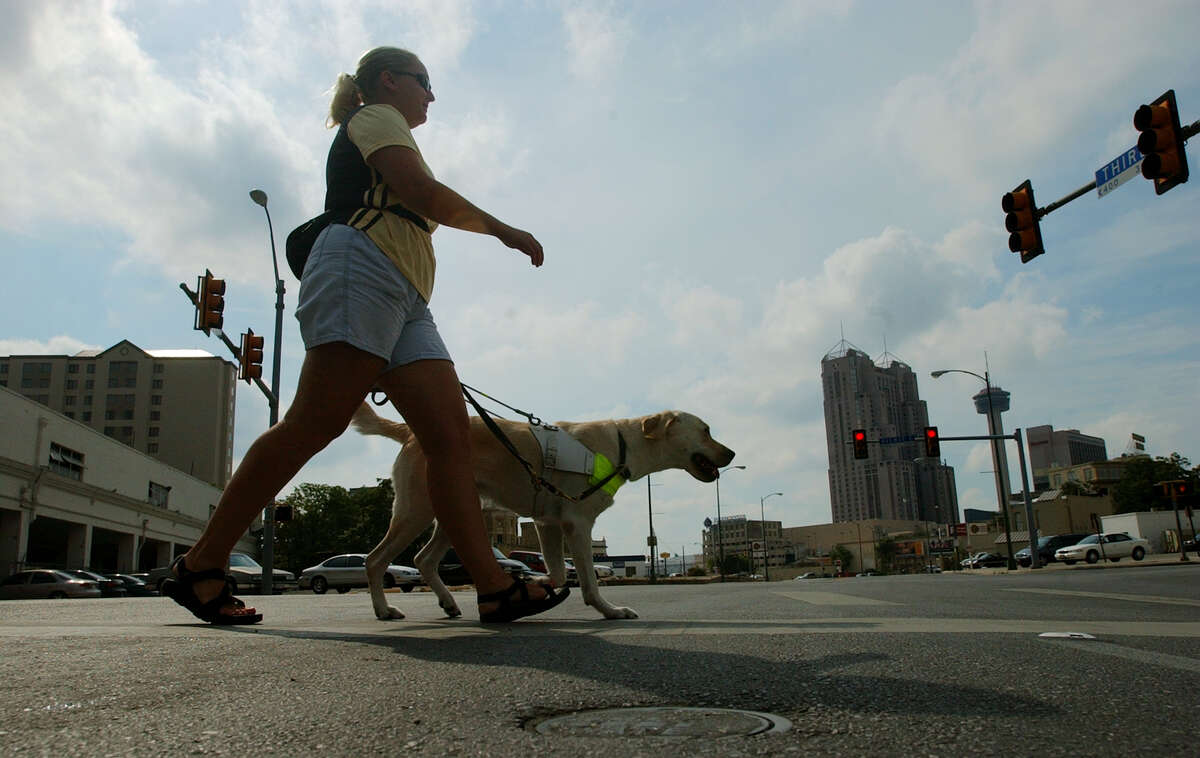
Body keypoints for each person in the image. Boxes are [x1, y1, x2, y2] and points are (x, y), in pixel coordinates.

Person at [162, 46, 568, 624]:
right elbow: (422, 193)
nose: (431, 95)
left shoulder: (389, 121)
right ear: (388, 79)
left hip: (406, 295)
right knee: (315, 421)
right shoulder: (376, 116)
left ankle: (494, 586)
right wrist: (502, 229)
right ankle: (201, 564)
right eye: (424, 81)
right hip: (363, 266)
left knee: (449, 437)